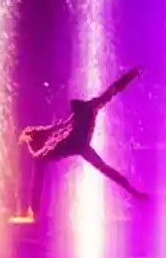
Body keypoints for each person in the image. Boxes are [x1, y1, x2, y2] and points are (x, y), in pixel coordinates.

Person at [20, 67, 146, 217]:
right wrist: (33, 132)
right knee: (40, 160)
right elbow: (58, 128)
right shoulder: (78, 112)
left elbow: (113, 89)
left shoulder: (90, 106)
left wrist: (130, 75)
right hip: (74, 144)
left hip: (78, 146)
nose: (71, 108)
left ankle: (134, 192)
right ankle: (34, 209)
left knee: (105, 169)